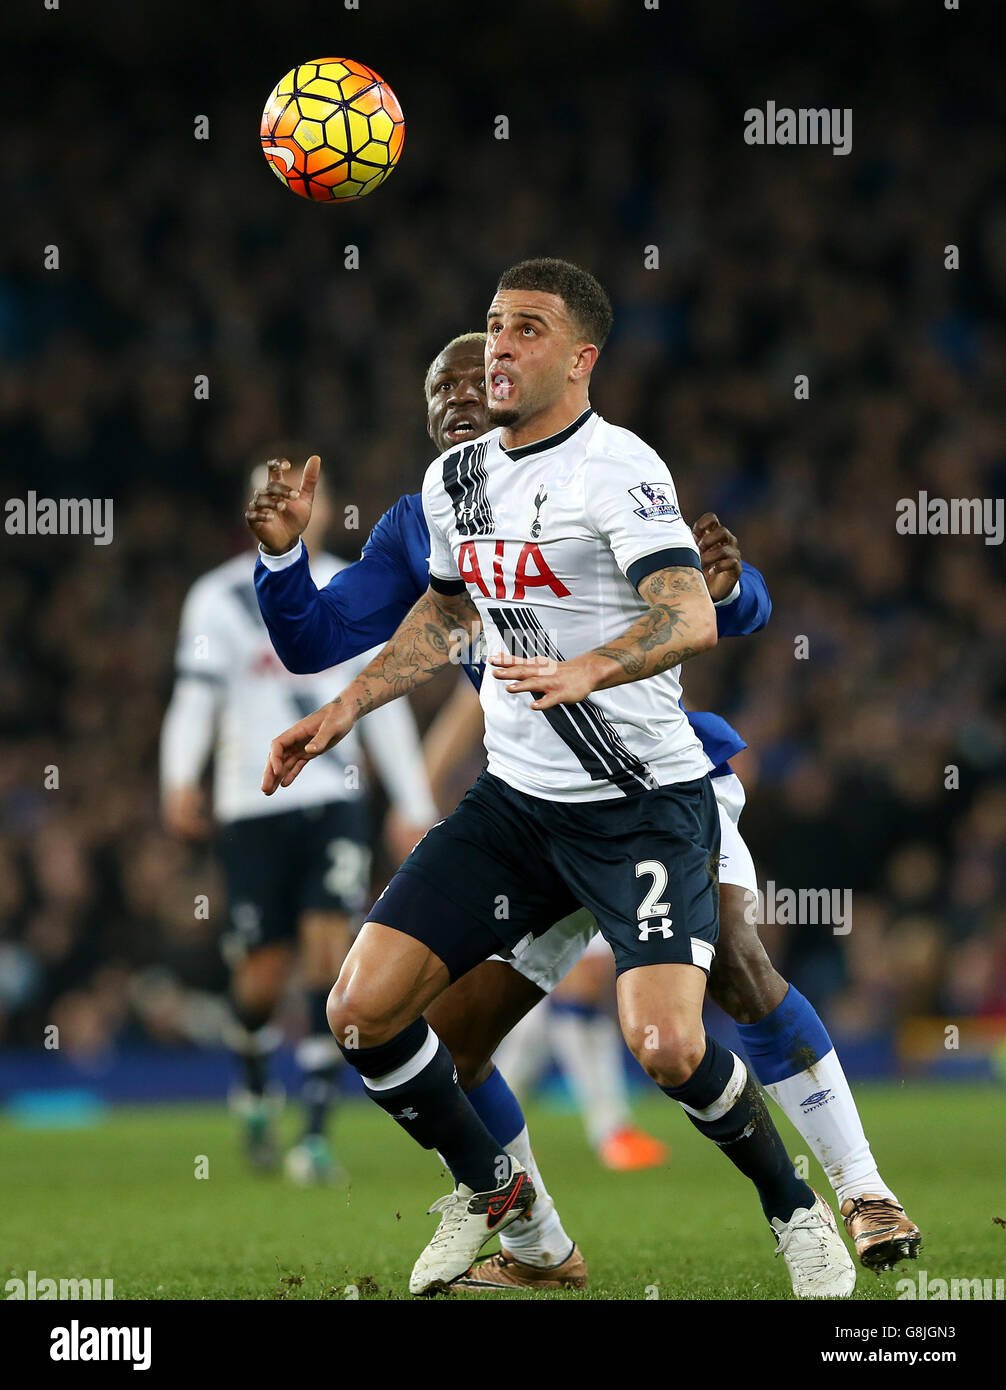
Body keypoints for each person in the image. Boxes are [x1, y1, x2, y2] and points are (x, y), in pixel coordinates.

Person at [250, 329, 919, 1287]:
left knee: (731, 970)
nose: (457, 398)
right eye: (435, 390)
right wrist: (282, 565)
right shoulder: (428, 521)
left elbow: (704, 602)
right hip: (527, 809)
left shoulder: (596, 475)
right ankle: (532, 1240)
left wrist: (740, 589)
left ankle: (855, 1189)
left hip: (652, 789)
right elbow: (323, 636)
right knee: (454, 1041)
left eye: (476, 377)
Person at [161, 464, 437, 1183]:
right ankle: (253, 1077)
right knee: (259, 978)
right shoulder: (216, 597)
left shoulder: (360, 586)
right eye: (272, 493)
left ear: (328, 506)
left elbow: (388, 698)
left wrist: (412, 802)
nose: (294, 505)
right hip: (249, 803)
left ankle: (312, 1136)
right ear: (253, 508)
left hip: (333, 799)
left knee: (328, 953)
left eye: (304, 493)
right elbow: (196, 698)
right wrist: (177, 776)